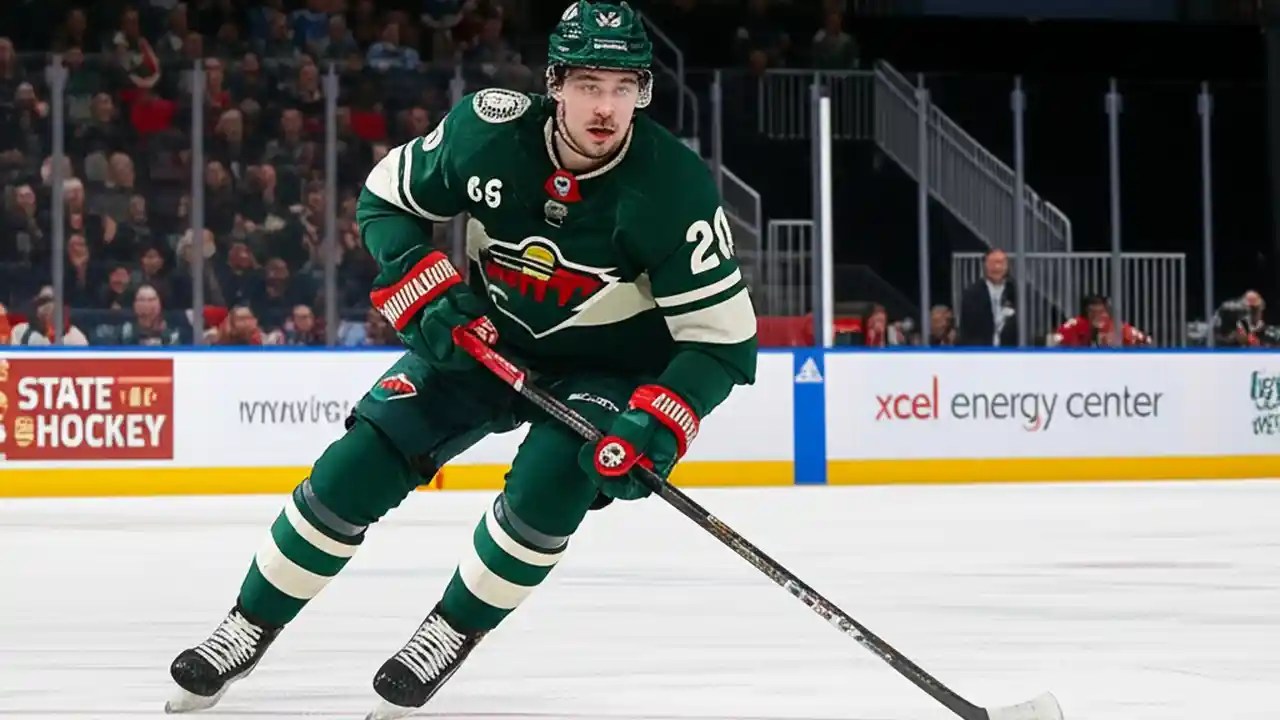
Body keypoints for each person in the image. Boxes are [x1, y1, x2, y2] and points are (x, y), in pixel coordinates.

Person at [165, 3, 758, 719]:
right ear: (555, 83)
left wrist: (658, 422)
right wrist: (419, 281)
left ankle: (450, 630)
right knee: (356, 466)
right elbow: (385, 200)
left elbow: (723, 341)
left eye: (623, 87)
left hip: (605, 372)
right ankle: (249, 623)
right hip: (482, 340)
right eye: (589, 85)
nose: (606, 107)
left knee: (548, 492)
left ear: (643, 92)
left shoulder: (674, 188)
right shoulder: (489, 131)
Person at [1050, 294, 1151, 348]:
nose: (1097, 316)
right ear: (1085, 314)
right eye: (1092, 312)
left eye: (1101, 312)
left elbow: (1147, 341)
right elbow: (1051, 341)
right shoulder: (1075, 325)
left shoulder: (1117, 327)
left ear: (1107, 313)